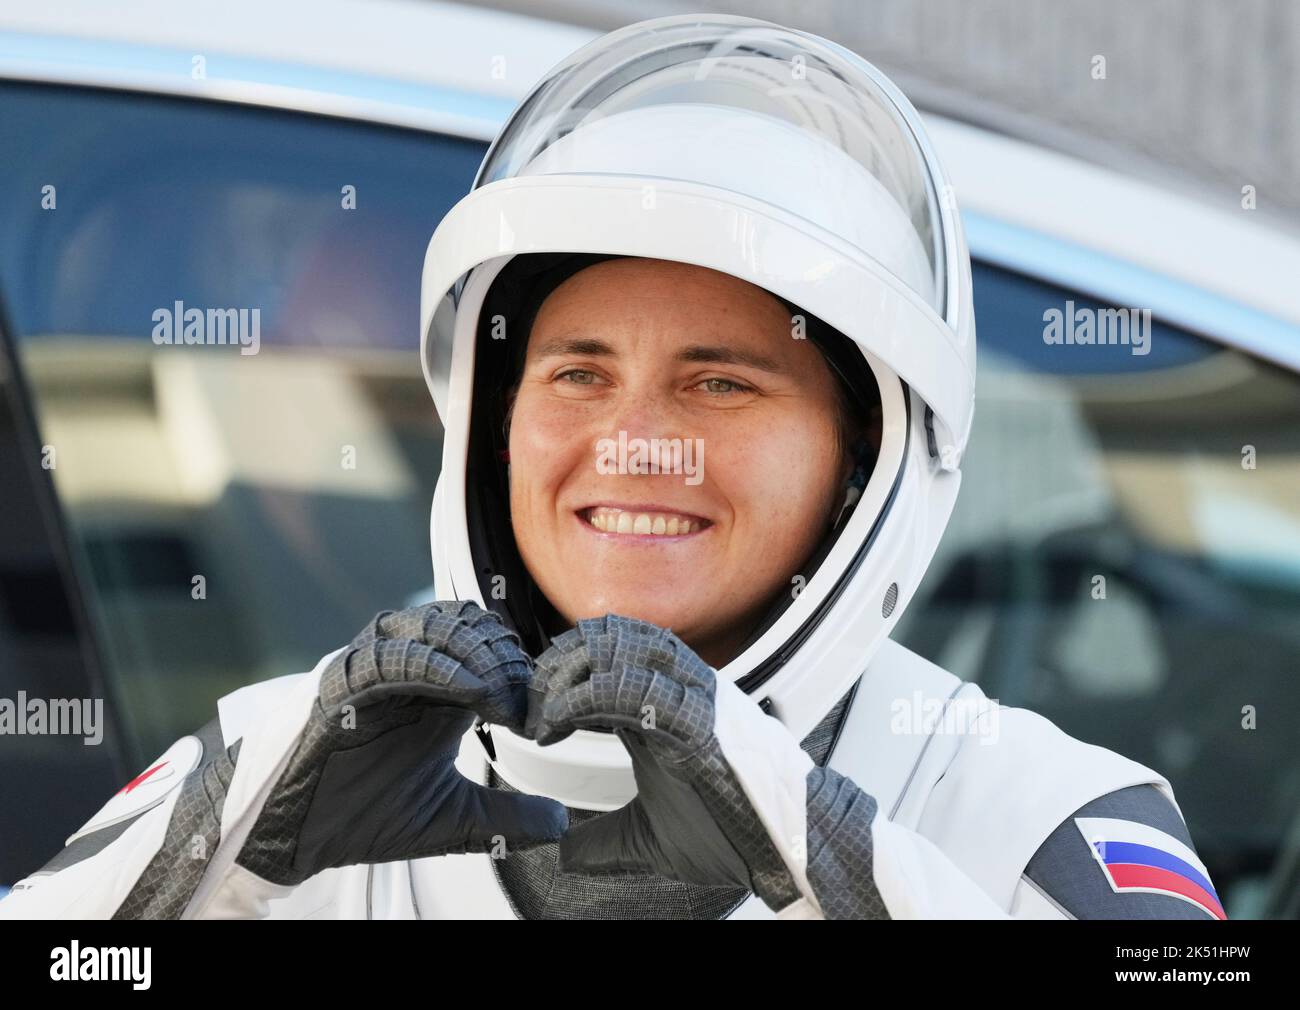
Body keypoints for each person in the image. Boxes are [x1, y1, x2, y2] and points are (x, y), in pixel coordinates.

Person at [0, 13, 1224, 920]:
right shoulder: (306, 760)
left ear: (870, 459)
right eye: (576, 373)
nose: (636, 439)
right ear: (493, 422)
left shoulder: (1043, 814)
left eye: (721, 381)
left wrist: (844, 868)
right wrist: (193, 869)